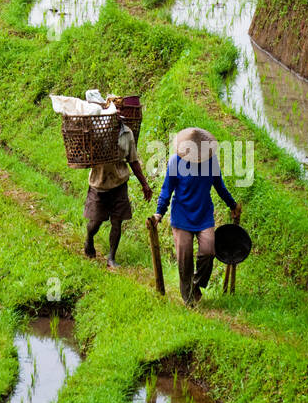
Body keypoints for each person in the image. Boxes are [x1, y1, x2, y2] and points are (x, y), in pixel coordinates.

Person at [155, 127, 241, 307]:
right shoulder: (175, 162)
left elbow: (220, 187)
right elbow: (166, 190)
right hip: (182, 216)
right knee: (184, 257)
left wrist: (232, 205)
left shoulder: (211, 162)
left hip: (203, 215)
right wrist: (159, 213)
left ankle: (196, 284)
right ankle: (188, 300)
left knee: (209, 250)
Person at [84, 92, 152, 271]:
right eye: (116, 109)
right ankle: (89, 239)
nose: (119, 113)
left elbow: (133, 161)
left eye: (121, 110)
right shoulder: (96, 130)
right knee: (95, 222)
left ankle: (111, 258)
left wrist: (144, 184)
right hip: (99, 184)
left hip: (119, 183)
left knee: (117, 221)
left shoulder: (127, 133)